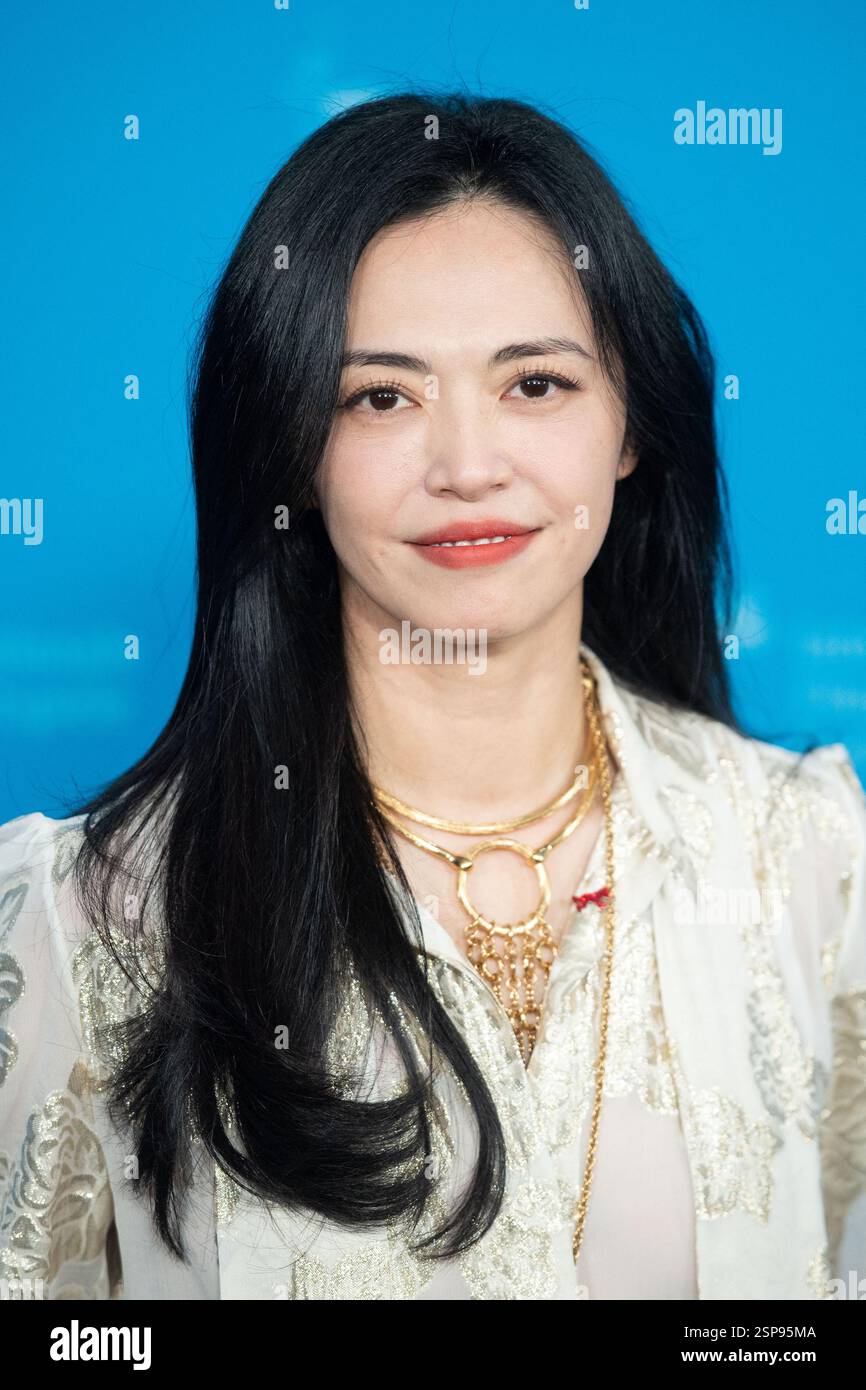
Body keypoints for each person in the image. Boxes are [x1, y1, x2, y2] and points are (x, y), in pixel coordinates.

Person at [1, 91, 863, 1302]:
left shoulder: (808, 855)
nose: (466, 466)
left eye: (536, 385)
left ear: (630, 426)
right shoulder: (88, 916)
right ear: (291, 441)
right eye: (381, 397)